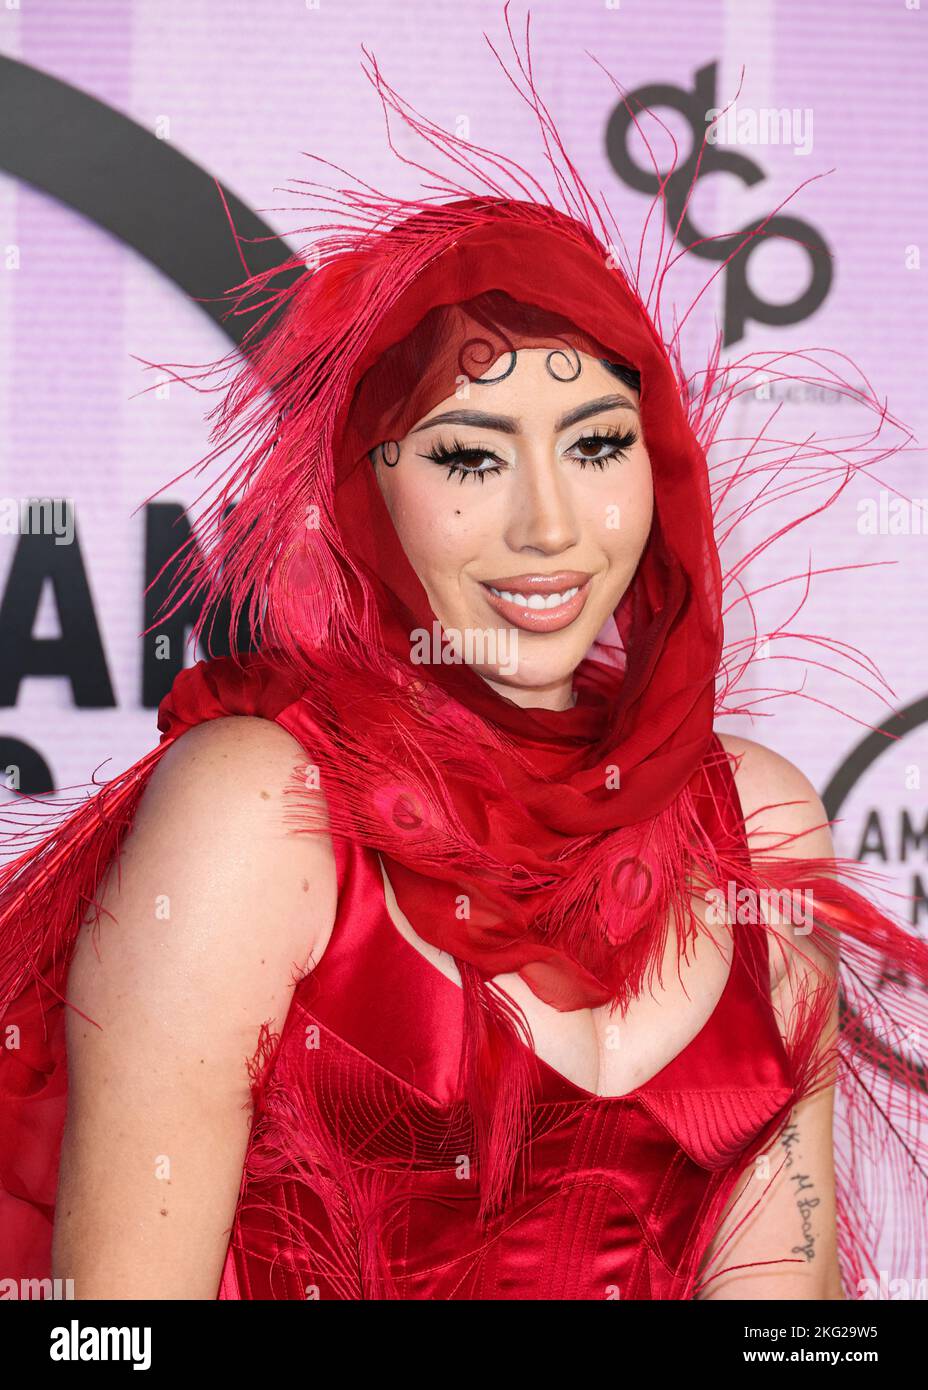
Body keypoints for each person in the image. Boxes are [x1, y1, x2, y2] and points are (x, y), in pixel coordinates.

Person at [1, 29, 926, 1302]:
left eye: (599, 447)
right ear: (362, 491)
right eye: (470, 457)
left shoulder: (754, 828)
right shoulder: (254, 813)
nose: (550, 525)